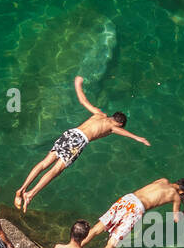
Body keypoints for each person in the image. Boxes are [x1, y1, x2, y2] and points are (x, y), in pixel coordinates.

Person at [14, 75, 151, 212]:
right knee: (56, 170)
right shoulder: (113, 127)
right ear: (120, 123)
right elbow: (122, 132)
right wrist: (138, 138)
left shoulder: (99, 114)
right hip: (78, 141)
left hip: (71, 133)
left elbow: (83, 100)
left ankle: (21, 189)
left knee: (44, 163)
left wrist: (77, 84)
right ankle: (30, 194)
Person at [87, 178, 184, 248]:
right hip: (137, 208)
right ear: (182, 191)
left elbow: (160, 193)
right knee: (112, 243)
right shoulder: (176, 196)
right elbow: (176, 219)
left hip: (128, 198)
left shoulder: (163, 180)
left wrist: (178, 196)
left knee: (96, 229)